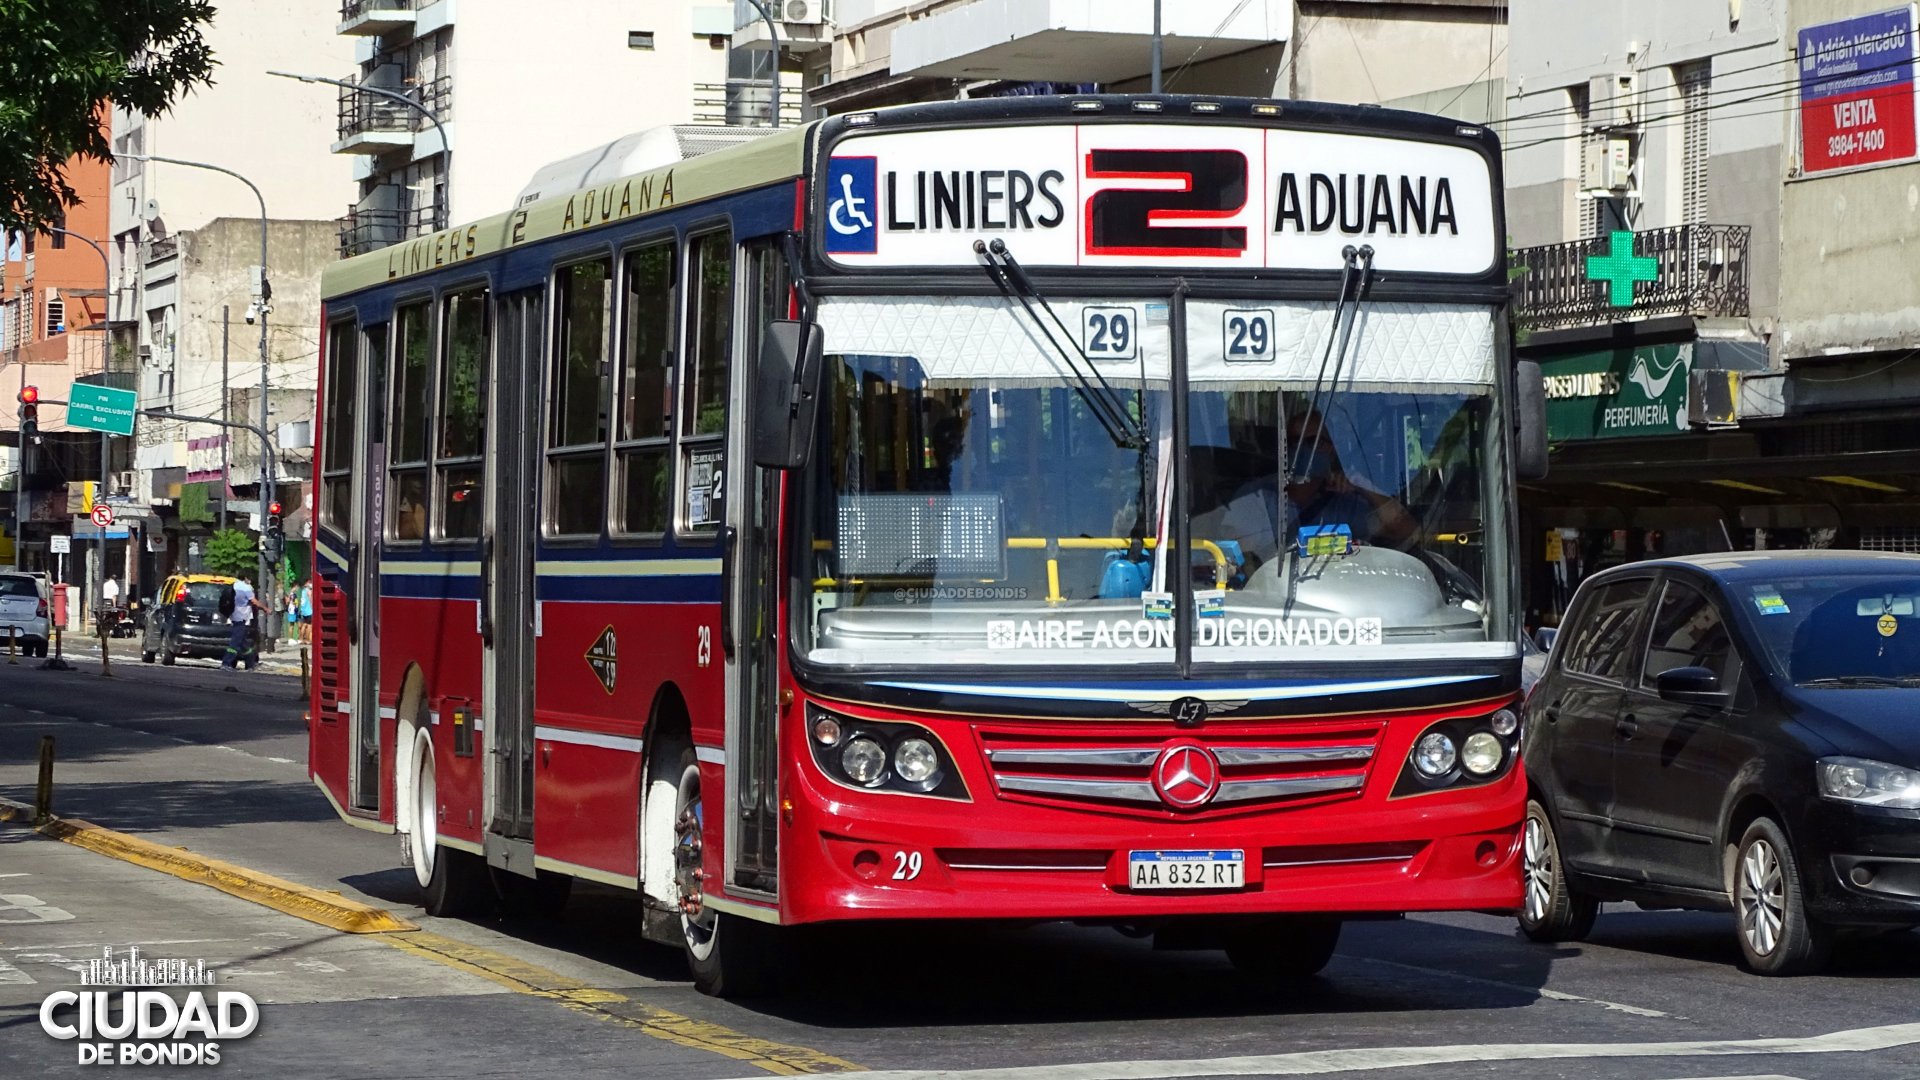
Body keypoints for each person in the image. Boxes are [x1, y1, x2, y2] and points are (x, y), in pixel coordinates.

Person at [221, 576, 265, 672]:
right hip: (242, 618)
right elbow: (254, 601)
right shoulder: (246, 587)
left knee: (244, 644)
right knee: (235, 643)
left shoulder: (234, 585)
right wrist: (266, 609)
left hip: (234, 616)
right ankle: (226, 662)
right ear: (246, 578)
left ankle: (251, 663)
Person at [298, 580, 313, 644]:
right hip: (309, 610)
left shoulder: (303, 591)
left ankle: (301, 639)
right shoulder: (308, 591)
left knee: (304, 625)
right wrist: (313, 606)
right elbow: (310, 599)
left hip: (303, 611)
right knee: (309, 625)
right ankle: (307, 640)